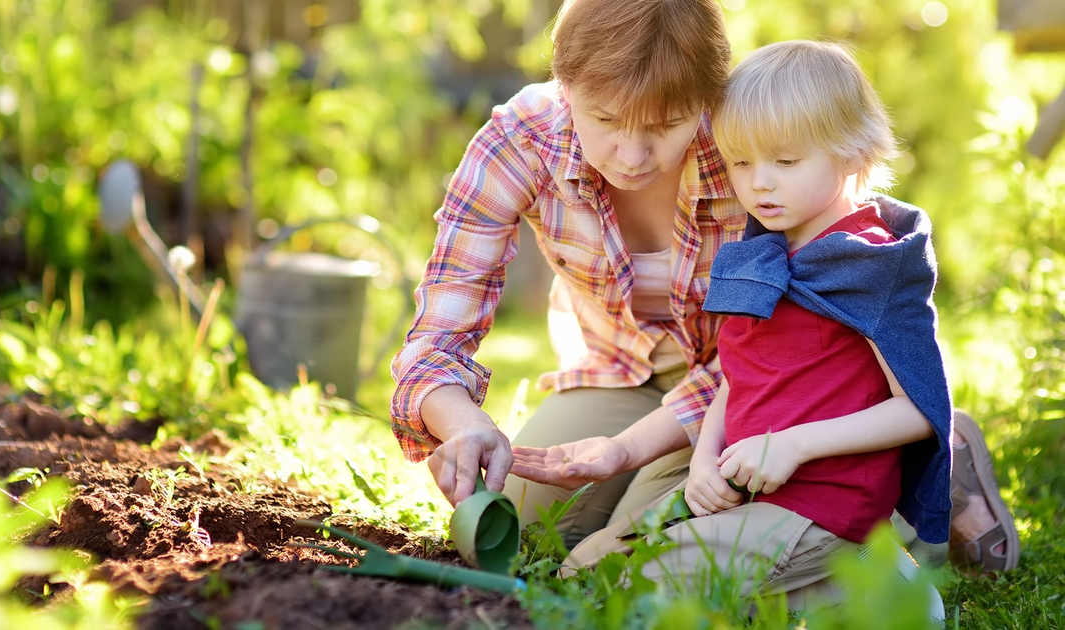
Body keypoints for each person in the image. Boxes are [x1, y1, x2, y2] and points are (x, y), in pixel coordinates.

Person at [515, 39, 981, 608]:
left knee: (619, 587)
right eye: (741, 161)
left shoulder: (868, 263)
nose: (758, 183)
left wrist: (792, 446)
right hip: (747, 493)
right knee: (582, 563)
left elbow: (919, 406)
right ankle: (867, 588)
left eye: (785, 162)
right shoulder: (757, 250)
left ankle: (858, 559)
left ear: (853, 152)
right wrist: (707, 458)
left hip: (823, 501)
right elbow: (737, 377)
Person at [388, 0, 743, 549]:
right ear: (565, 86)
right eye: (604, 119)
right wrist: (463, 424)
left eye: (667, 124)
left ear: (707, 100)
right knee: (529, 536)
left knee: (645, 547)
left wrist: (639, 450)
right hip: (619, 369)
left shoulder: (750, 141)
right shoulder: (522, 141)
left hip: (748, 388)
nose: (631, 155)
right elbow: (435, 337)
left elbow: (789, 344)